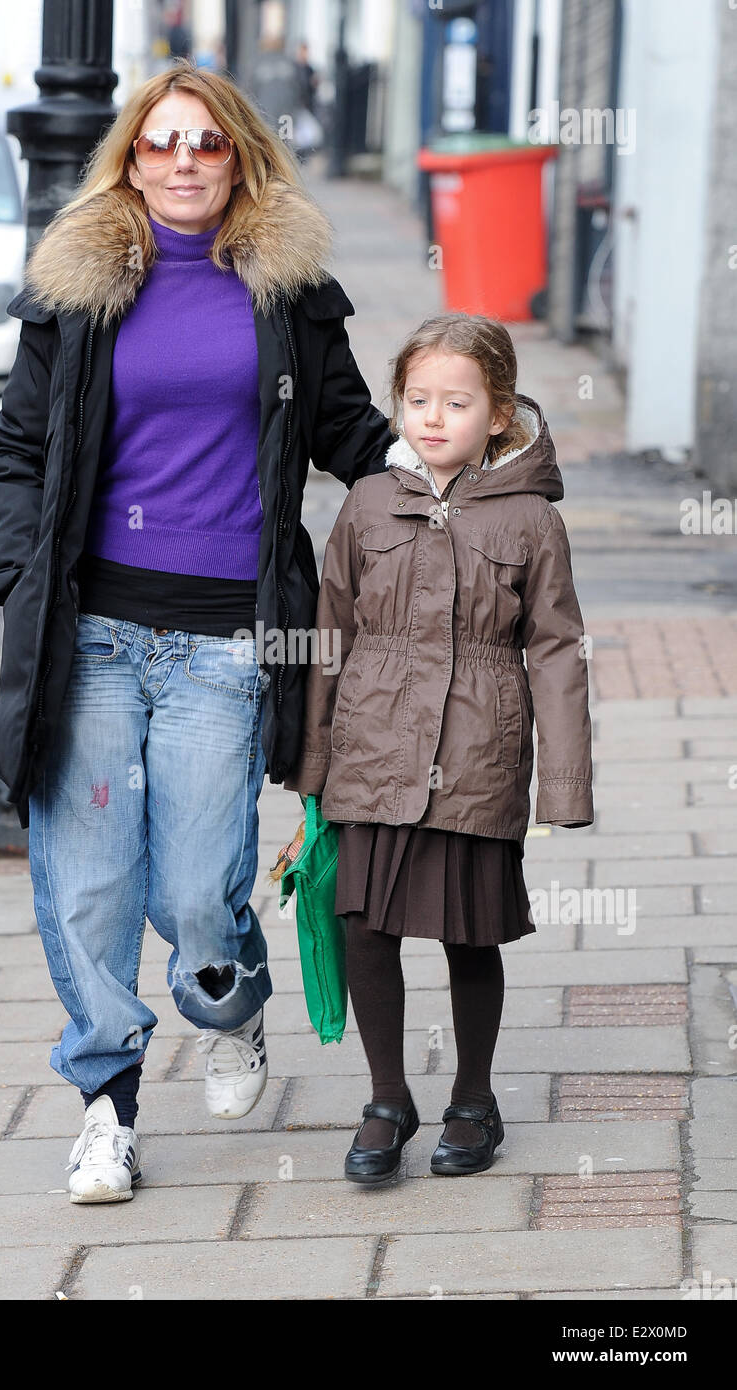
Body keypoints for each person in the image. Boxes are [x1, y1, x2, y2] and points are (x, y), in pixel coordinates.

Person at [0, 58, 396, 1203]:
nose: (182, 161)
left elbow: (349, 432)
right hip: (93, 636)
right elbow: (20, 450)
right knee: (90, 889)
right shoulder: (76, 288)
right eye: (160, 141)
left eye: (206, 142)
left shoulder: (287, 290)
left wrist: (450, 459)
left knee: (199, 894)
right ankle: (106, 1111)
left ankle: (230, 1003)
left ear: (240, 157)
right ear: (129, 159)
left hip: (226, 643)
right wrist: (17, 578)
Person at [283, 313, 594, 1184]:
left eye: (456, 402)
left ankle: (473, 1099)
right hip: (372, 752)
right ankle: (388, 1100)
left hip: (475, 757)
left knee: (470, 933)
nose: (432, 417)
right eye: (417, 399)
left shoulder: (532, 519)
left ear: (498, 413)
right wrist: (312, 767)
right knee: (362, 924)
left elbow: (558, 649)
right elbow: (329, 634)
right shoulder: (368, 502)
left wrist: (564, 785)